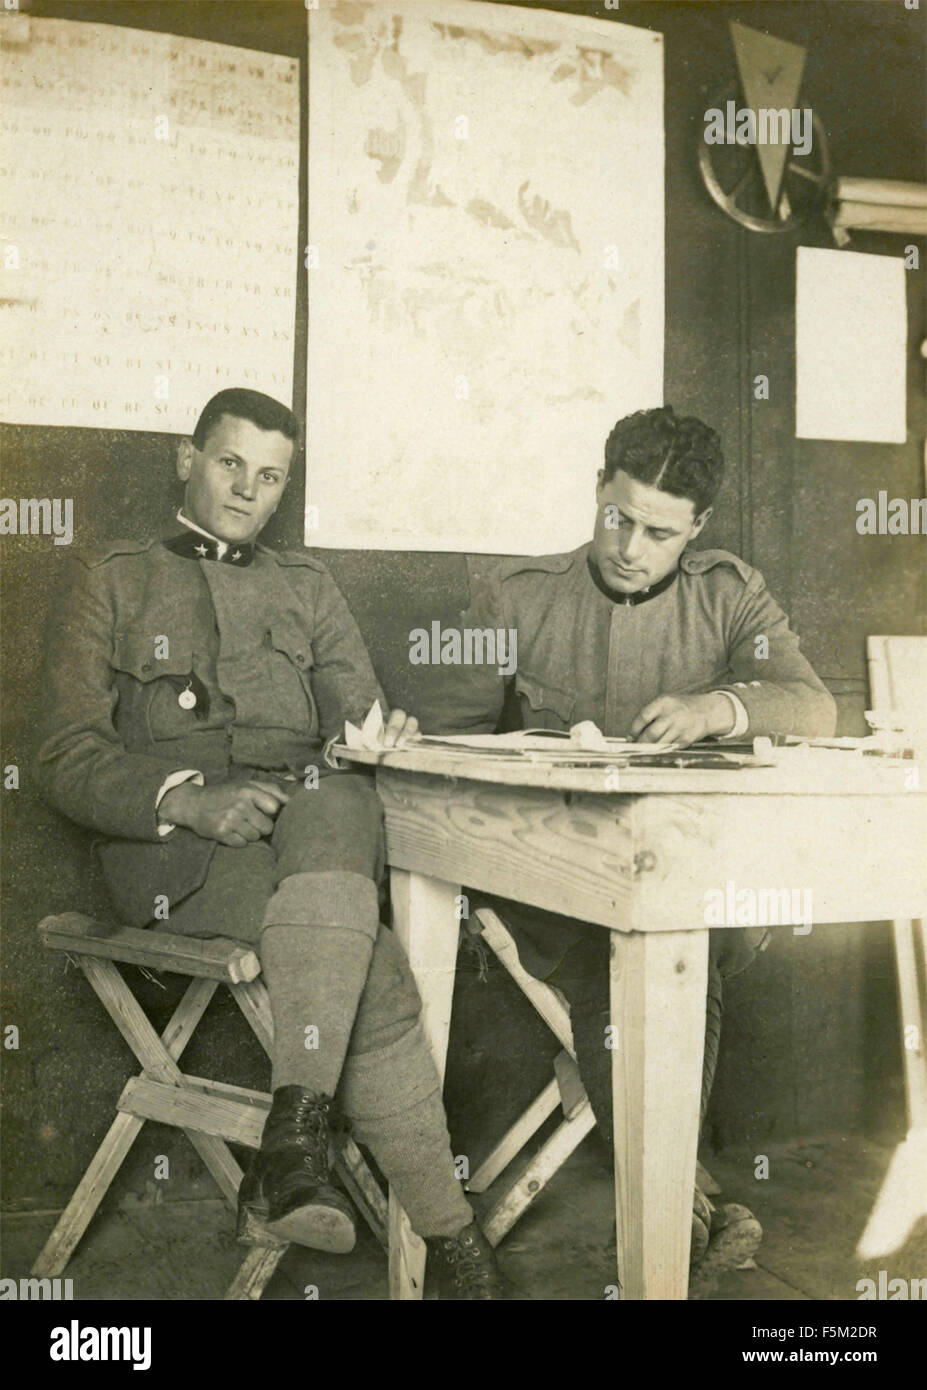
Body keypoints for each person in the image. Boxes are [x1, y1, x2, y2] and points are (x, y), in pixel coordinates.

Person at [34, 387, 508, 1300]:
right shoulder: (114, 576)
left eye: (270, 476)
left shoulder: (307, 587)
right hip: (174, 860)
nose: (247, 490)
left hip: (302, 842)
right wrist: (185, 798)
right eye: (228, 464)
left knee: (340, 797)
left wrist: (373, 739)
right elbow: (59, 754)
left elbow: (352, 729)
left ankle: (290, 1152)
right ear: (186, 457)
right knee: (363, 959)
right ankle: (451, 1242)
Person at [421, 404, 837, 1266]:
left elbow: (814, 706)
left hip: (681, 879)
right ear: (596, 490)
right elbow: (437, 742)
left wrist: (717, 707)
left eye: (658, 532)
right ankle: (682, 1214)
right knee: (643, 956)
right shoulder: (515, 596)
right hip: (542, 882)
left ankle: (671, 1212)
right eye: (618, 517)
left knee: (678, 933)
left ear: (698, 530)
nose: (629, 547)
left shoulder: (728, 593)